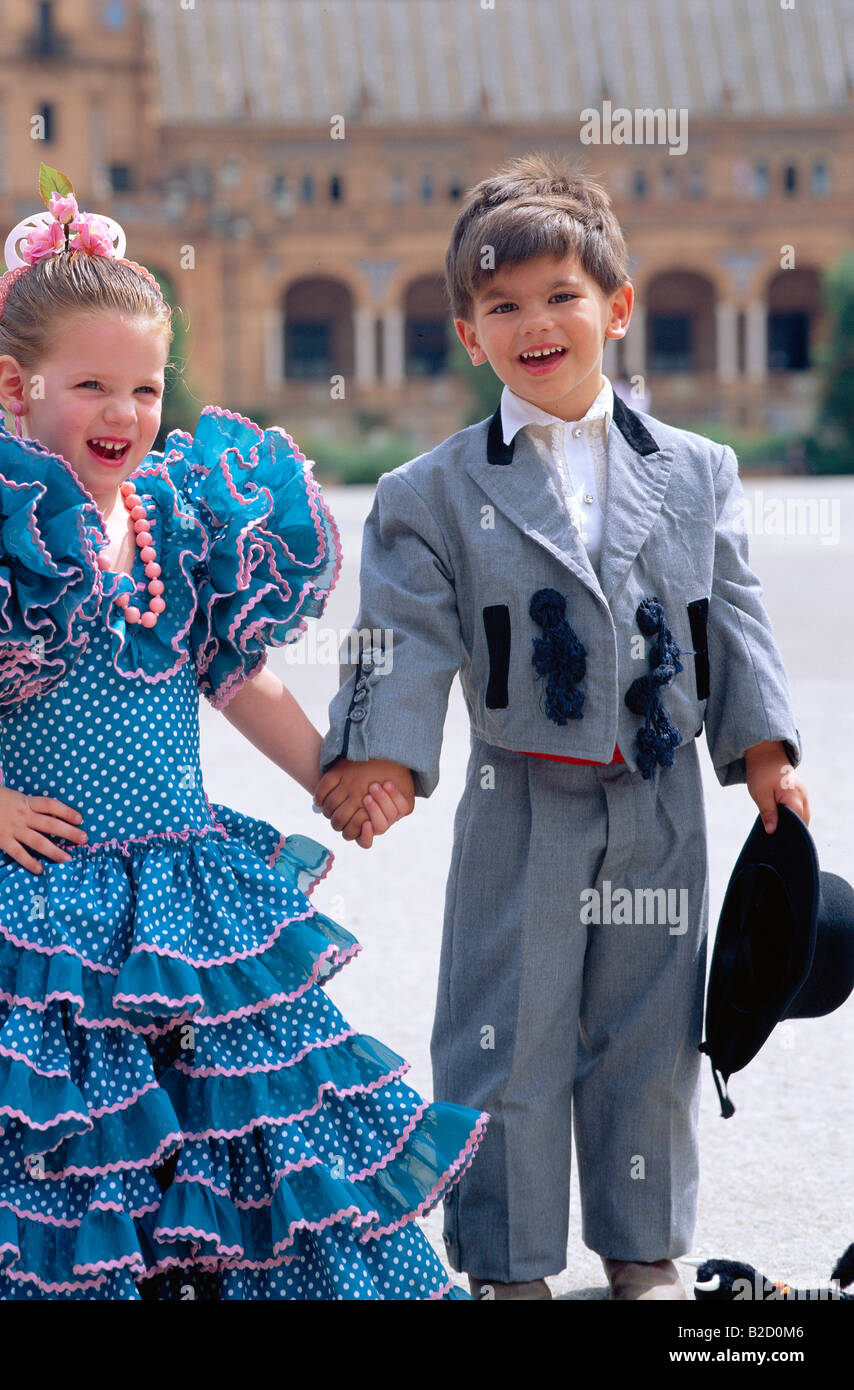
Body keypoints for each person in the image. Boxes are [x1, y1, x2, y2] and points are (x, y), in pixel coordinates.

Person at [0, 171, 488, 1300]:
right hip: (45, 886)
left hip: (190, 878)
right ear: (14, 386)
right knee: (50, 1130)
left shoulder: (182, 522)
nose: (124, 413)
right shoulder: (1, 529)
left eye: (145, 385)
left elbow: (236, 676)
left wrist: (333, 778)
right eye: (91, 386)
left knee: (243, 1108)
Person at [315, 153, 811, 1301]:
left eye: (560, 298)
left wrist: (766, 755)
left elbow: (730, 615)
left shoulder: (696, 470)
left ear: (617, 308)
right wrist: (380, 758)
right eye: (502, 306)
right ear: (465, 331)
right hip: (518, 800)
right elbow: (402, 635)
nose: (534, 324)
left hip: (656, 794)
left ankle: (644, 1251)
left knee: (648, 1033)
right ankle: (508, 1262)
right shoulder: (426, 492)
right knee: (504, 1034)